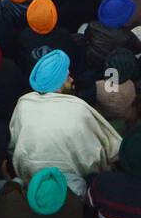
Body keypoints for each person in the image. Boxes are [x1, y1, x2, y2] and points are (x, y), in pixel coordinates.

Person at [9, 48, 121, 197]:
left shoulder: (23, 104)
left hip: (33, 181)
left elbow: (14, 144)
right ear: (58, 85)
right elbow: (101, 150)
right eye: (68, 77)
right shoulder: (78, 108)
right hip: (74, 186)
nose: (72, 79)